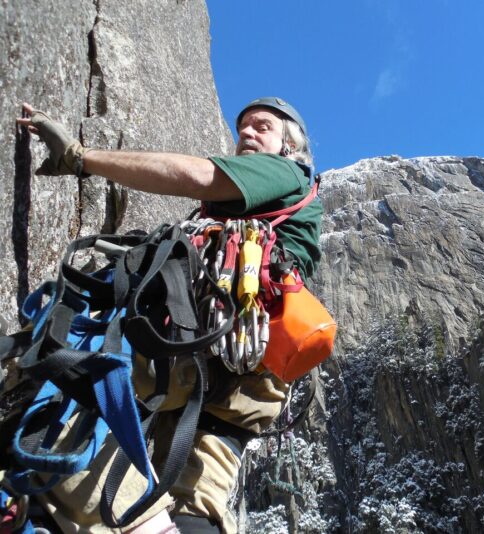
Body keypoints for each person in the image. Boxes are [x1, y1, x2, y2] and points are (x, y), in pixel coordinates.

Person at [14, 97, 323, 533]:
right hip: (250, 381)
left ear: (290, 146)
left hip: (203, 344)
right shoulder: (255, 212)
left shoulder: (284, 173)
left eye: (263, 127)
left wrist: (80, 158)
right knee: (197, 506)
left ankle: (129, 522)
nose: (248, 133)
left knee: (65, 389)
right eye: (244, 127)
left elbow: (197, 175)